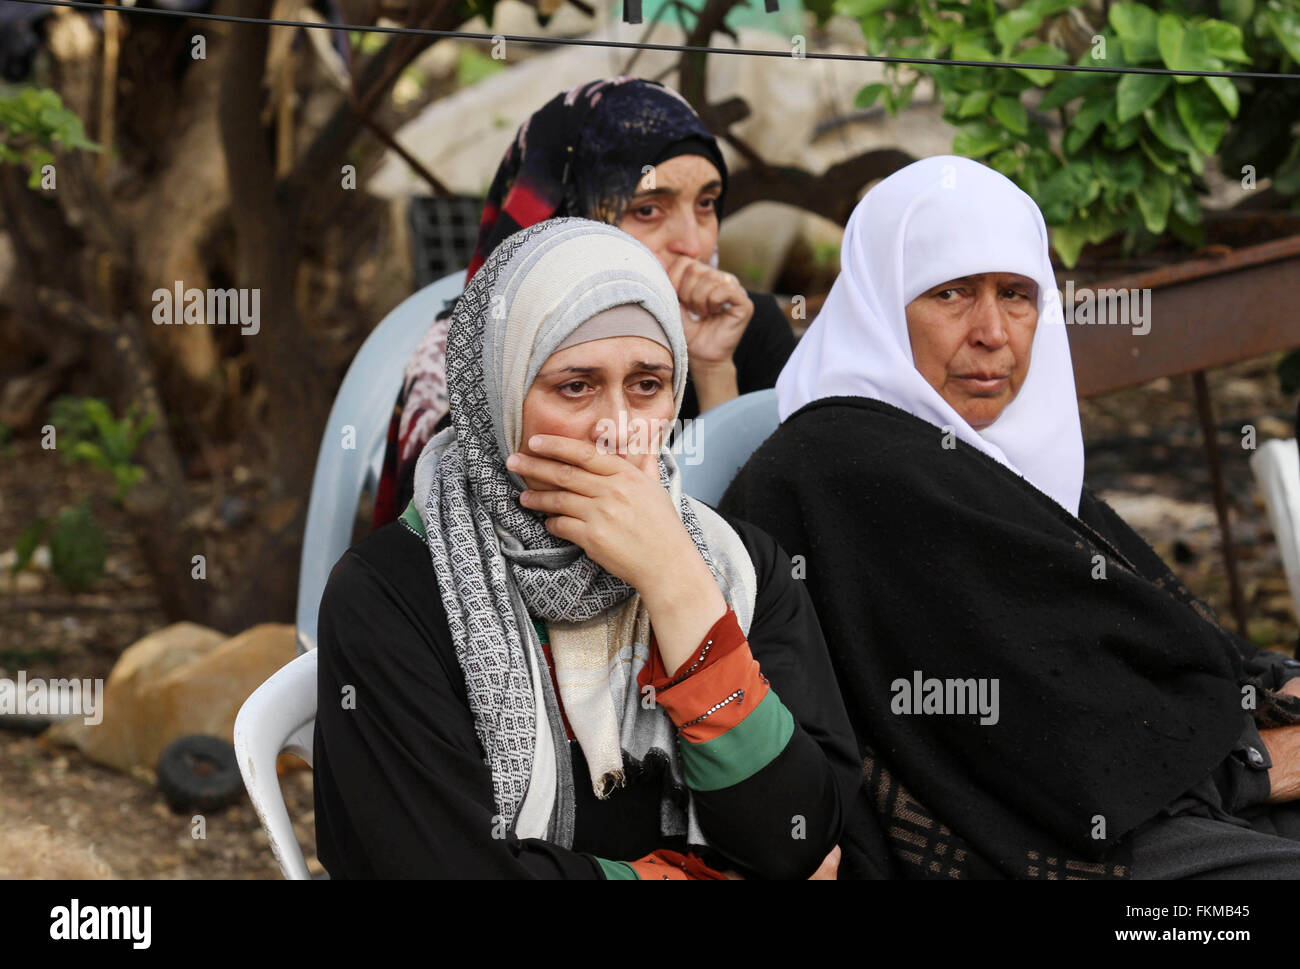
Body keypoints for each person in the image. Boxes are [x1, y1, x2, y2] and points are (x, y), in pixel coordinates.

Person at [719, 154, 1300, 880]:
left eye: (1018, 295)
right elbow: (1039, 738)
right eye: (951, 293)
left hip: (1155, 805)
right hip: (1049, 845)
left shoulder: (988, 455)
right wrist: (1250, 761)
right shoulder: (835, 466)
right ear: (877, 303)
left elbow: (1143, 633)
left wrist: (1265, 692)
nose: (993, 331)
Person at [314, 217, 859, 879]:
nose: (619, 430)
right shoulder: (391, 595)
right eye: (575, 386)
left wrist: (675, 583)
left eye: (647, 385)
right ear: (499, 397)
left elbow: (797, 839)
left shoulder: (734, 567)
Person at [370, 76, 796, 528]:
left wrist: (713, 370)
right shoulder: (488, 352)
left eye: (707, 203)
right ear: (566, 215)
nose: (693, 242)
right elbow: (460, 548)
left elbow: (760, 549)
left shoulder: (743, 327)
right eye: (648, 209)